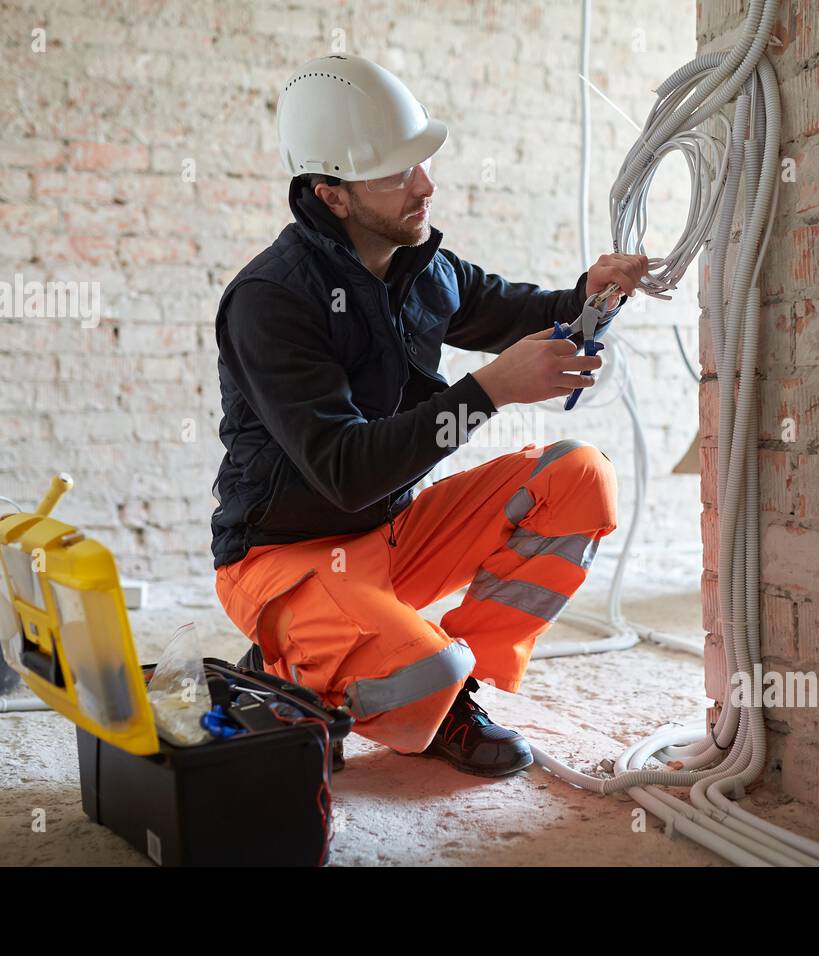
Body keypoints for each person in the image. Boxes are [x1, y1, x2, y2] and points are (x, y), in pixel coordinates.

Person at [212, 53, 649, 776]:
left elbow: (517, 310)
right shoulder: (271, 300)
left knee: (578, 477)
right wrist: (491, 391)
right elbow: (345, 472)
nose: (425, 185)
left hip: (387, 539)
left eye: (421, 161)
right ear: (332, 193)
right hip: (280, 560)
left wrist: (588, 295)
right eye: (395, 172)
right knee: (423, 672)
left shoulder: (421, 267)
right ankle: (297, 663)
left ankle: (457, 690)